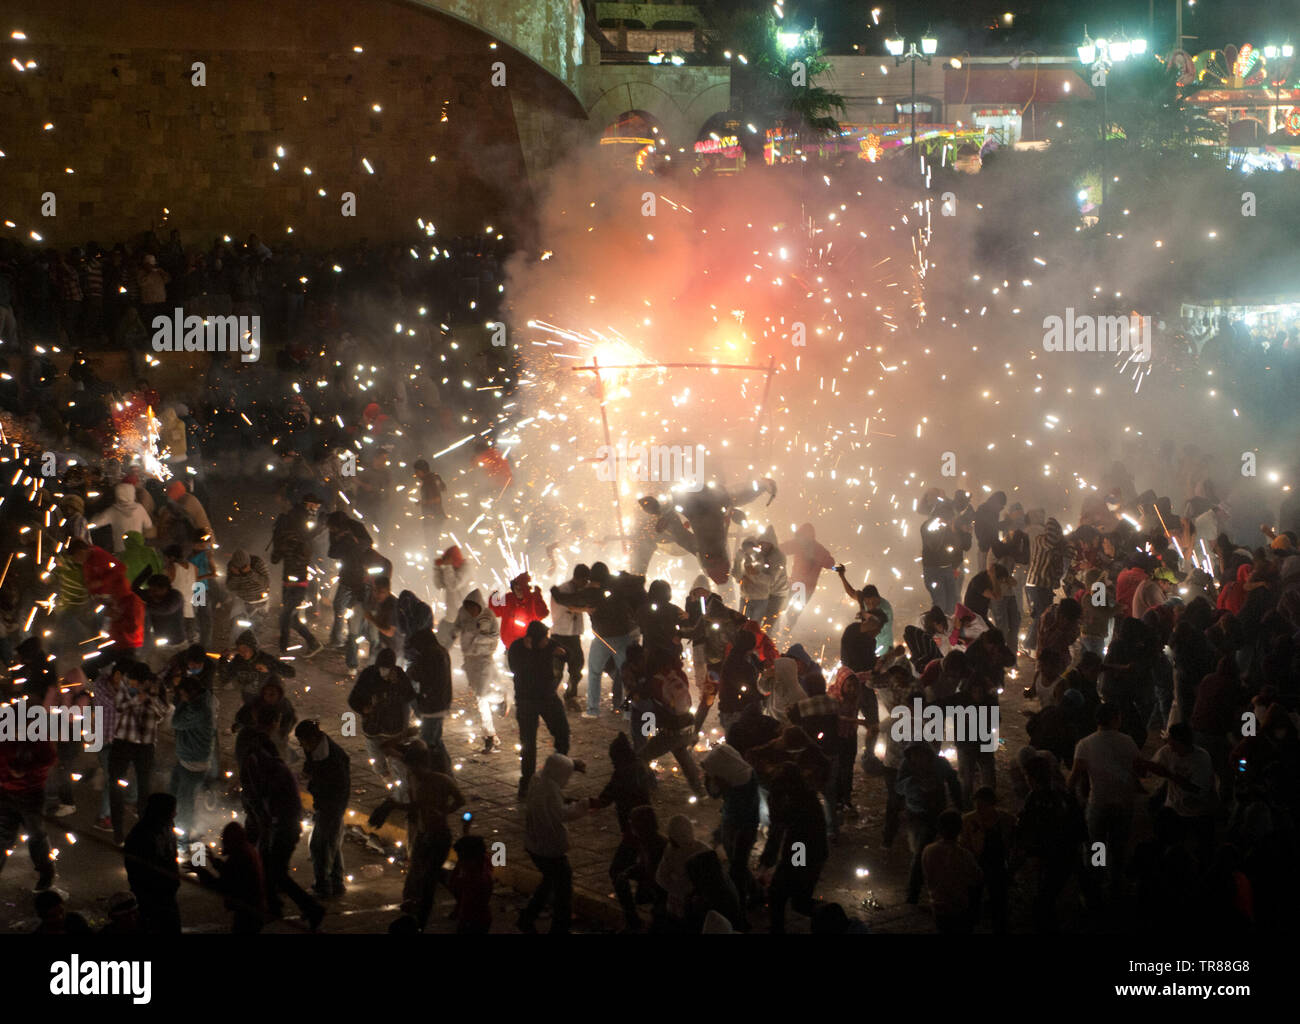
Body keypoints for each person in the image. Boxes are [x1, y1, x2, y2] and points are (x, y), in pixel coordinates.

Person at [240, 707, 325, 930]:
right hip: (283, 824)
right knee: (271, 868)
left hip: (284, 827)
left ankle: (311, 908)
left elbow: (268, 801)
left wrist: (267, 825)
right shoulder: (270, 766)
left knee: (273, 870)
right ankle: (277, 907)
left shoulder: (268, 769)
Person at [371, 740, 465, 931]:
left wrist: (443, 811)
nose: (414, 772)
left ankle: (421, 922)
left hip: (439, 836)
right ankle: (455, 898)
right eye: (411, 768)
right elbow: (417, 805)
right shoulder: (413, 778)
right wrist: (393, 807)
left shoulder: (442, 780)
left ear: (426, 765)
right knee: (421, 872)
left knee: (429, 882)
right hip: (423, 834)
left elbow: (460, 800)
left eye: (416, 768)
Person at [1066, 703, 1152, 896]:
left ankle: (1098, 878)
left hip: (1099, 801)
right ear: (1115, 719)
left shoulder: (1085, 744)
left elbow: (1075, 776)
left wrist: (1069, 795)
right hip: (1123, 801)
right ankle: (1115, 881)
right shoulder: (1127, 741)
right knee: (1119, 844)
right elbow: (1141, 770)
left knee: (1097, 843)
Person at [518, 753, 590, 934]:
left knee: (549, 882)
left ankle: (527, 917)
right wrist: (584, 805)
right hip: (548, 848)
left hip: (534, 843)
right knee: (563, 889)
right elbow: (561, 814)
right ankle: (560, 928)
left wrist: (573, 764)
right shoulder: (549, 790)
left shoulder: (539, 780)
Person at [758, 763, 830, 933]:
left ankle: (831, 917)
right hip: (810, 852)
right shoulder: (806, 796)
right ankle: (832, 916)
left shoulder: (797, 802)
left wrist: (769, 861)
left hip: (802, 852)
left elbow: (778, 827)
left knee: (781, 895)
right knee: (798, 901)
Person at [108, 662, 170, 845]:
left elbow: (163, 712)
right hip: (123, 741)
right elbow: (119, 705)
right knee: (115, 785)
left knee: (144, 789)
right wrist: (138, 699)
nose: (131, 684)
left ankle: (143, 833)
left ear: (144, 680)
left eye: (135, 682)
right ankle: (117, 830)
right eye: (130, 681)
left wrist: (150, 698)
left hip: (145, 745)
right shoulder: (127, 683)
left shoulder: (158, 686)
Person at [509, 620, 571, 801]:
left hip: (547, 697)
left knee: (562, 733)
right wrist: (535, 653)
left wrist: (563, 654)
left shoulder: (549, 644)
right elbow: (518, 668)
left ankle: (555, 779)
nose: (547, 641)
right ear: (532, 638)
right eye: (543, 638)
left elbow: (568, 654)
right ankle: (526, 785)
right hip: (526, 699)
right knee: (528, 743)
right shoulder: (518, 648)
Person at [896, 742, 962, 904]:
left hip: (935, 812)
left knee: (922, 852)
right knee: (919, 849)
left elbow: (953, 782)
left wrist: (960, 806)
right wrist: (913, 783)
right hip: (915, 813)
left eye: (921, 756)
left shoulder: (940, 764)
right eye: (914, 756)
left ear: (928, 755)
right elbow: (898, 787)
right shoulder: (907, 765)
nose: (917, 760)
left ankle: (913, 893)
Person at [702, 742, 760, 921]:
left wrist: (724, 832)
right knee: (738, 865)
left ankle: (739, 912)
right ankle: (757, 893)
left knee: (737, 871)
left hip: (741, 830)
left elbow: (717, 795)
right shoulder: (741, 774)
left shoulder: (739, 788)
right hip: (735, 826)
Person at [294, 720, 351, 899]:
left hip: (333, 803)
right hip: (325, 801)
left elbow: (337, 787)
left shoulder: (334, 758)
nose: (302, 746)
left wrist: (325, 804)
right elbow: (310, 763)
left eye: (302, 741)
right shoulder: (314, 747)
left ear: (312, 738)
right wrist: (305, 774)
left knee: (319, 845)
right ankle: (337, 882)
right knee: (331, 843)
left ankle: (323, 886)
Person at [347, 648, 415, 789]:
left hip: (393, 728)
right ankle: (386, 778)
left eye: (387, 668)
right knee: (377, 758)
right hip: (373, 727)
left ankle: (402, 789)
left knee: (397, 760)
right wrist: (364, 708)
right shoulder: (368, 675)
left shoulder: (399, 675)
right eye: (382, 668)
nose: (384, 671)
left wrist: (397, 684)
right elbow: (353, 699)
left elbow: (409, 696)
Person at [0, 730, 57, 891]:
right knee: (2, 837)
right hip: (5, 795)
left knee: (36, 835)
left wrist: (26, 769)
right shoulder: (5, 737)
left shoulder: (39, 739)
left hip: (31, 796)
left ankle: (47, 874)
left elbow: (49, 758)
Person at [448, 589, 503, 752]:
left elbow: (495, 637)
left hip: (484, 659)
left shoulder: (489, 617)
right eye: (468, 607)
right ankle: (490, 736)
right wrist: (452, 636)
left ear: (478, 606)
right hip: (469, 661)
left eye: (473, 608)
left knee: (481, 695)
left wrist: (478, 639)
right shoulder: (463, 613)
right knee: (480, 699)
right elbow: (457, 626)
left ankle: (500, 699)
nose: (470, 611)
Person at [269, 492, 323, 656]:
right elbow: (277, 557)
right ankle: (309, 643)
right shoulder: (298, 525)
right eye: (315, 506)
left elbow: (275, 558)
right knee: (288, 616)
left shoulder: (295, 527)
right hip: (294, 580)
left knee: (286, 616)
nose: (315, 509)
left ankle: (284, 649)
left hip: (296, 580)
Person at [191, 821, 266, 933]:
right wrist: (215, 862)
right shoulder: (246, 850)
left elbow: (223, 885)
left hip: (248, 911)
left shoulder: (240, 856)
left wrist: (202, 873)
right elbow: (232, 873)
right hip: (254, 909)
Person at [123, 792, 182, 934]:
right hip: (151, 898)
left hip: (167, 894)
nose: (175, 813)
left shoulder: (166, 827)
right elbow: (139, 871)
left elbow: (171, 855)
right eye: (172, 810)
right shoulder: (142, 835)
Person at [959, 786, 1015, 932]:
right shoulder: (968, 820)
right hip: (977, 865)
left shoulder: (1006, 820)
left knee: (999, 901)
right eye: (977, 806)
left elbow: (1014, 842)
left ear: (992, 804)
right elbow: (964, 845)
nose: (979, 810)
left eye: (982, 806)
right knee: (973, 900)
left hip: (997, 866)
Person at [169, 673, 214, 845]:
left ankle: (182, 839)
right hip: (186, 759)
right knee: (175, 795)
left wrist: (180, 702)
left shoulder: (198, 709)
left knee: (185, 802)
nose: (180, 698)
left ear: (191, 693)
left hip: (193, 763)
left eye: (182, 695)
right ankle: (175, 829)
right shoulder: (195, 703)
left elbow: (176, 722)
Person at [922, 809, 984, 933]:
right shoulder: (964, 855)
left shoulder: (928, 850)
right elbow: (977, 878)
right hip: (959, 906)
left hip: (938, 904)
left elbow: (928, 875)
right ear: (960, 830)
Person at [610, 805, 668, 932]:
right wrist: (627, 873)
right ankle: (632, 920)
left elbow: (659, 876)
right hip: (654, 885)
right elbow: (643, 865)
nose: (631, 827)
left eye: (633, 824)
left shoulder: (658, 846)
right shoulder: (644, 841)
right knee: (617, 875)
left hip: (663, 894)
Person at [656, 814, 710, 931]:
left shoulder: (702, 850)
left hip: (694, 903)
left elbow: (661, 877)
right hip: (684, 903)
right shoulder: (702, 849)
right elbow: (661, 877)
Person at [550, 564, 590, 711]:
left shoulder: (579, 590)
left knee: (577, 668)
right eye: (585, 580)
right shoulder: (563, 590)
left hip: (573, 635)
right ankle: (549, 698)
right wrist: (587, 609)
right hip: (559, 636)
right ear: (581, 579)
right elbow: (572, 605)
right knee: (556, 671)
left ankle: (570, 696)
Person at [489, 571, 548, 651]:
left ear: (527, 588)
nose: (519, 591)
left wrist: (537, 596)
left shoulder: (533, 600)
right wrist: (494, 594)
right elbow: (494, 611)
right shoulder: (508, 598)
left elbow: (542, 613)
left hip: (528, 650)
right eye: (516, 588)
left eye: (521, 588)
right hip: (509, 648)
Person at [89, 481, 153, 553]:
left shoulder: (113, 511)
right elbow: (148, 524)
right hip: (137, 549)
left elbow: (95, 523)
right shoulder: (139, 508)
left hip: (120, 550)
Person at [449, 832, 494, 934]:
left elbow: (455, 886)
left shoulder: (473, 879)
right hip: (481, 918)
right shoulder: (483, 863)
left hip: (472, 921)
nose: (460, 861)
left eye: (461, 858)